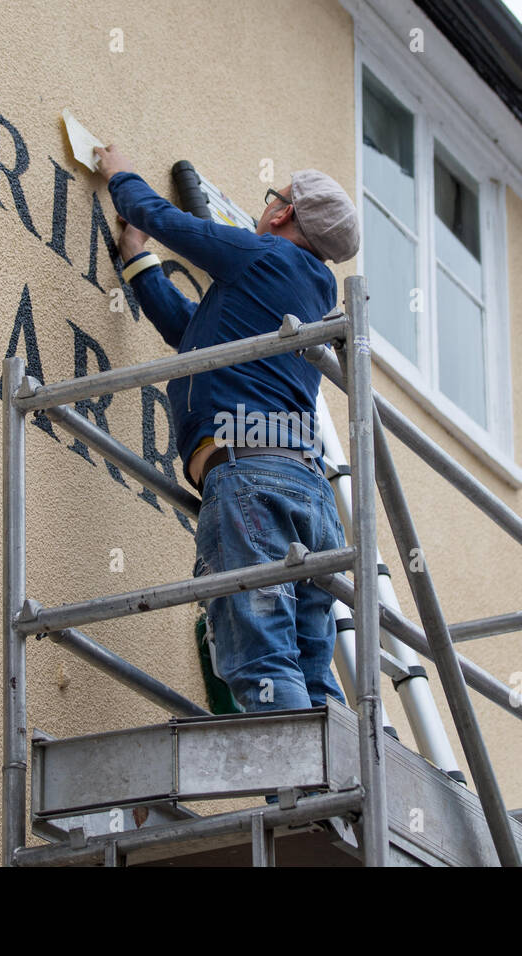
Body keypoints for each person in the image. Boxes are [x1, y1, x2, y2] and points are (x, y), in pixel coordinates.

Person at [93, 143, 360, 713]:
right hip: (306, 492)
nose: (267, 208)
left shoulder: (266, 258)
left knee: (261, 659)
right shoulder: (305, 293)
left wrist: (117, 174)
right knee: (311, 671)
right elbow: (190, 335)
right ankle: (339, 797)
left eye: (275, 199)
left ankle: (302, 797)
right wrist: (137, 257)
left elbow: (169, 220)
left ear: (284, 213)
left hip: (252, 480)